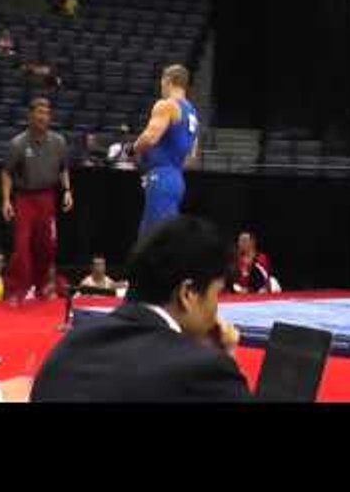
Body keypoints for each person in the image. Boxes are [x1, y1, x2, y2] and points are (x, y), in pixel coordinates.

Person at [31, 216, 251, 402]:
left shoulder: (71, 343)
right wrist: (226, 357)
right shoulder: (204, 370)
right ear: (188, 293)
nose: (216, 309)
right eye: (217, 294)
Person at [1, 98, 74, 305]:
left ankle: (42, 285)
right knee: (22, 247)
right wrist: (6, 200)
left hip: (47, 198)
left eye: (47, 113)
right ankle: (17, 290)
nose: (44, 116)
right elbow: (6, 173)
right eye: (39, 112)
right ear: (30, 116)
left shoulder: (58, 141)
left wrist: (68, 190)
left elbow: (63, 169)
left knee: (48, 246)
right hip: (24, 199)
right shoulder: (18, 143)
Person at [127, 64, 199, 236]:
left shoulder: (167, 105)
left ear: (168, 80)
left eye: (162, 81)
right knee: (148, 238)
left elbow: (150, 137)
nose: (161, 85)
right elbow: (192, 156)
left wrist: (131, 150)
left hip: (161, 178)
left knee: (158, 239)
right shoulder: (193, 114)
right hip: (176, 179)